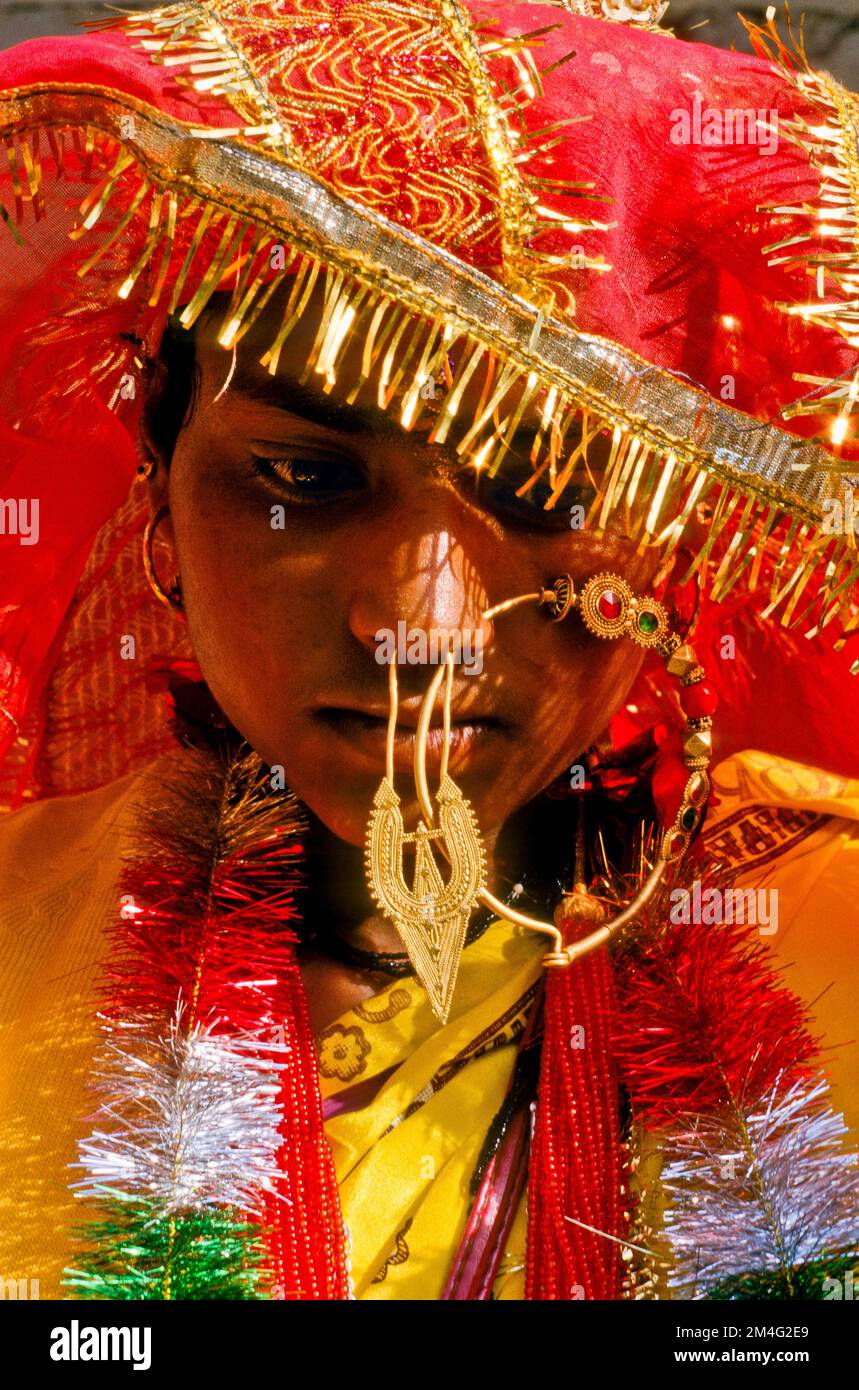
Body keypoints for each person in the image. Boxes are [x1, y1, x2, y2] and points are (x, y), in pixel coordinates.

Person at [0, 0, 857, 1301]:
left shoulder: (829, 933)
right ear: (158, 516)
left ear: (674, 527)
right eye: (303, 477)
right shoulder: (19, 939)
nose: (427, 620)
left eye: (552, 484)